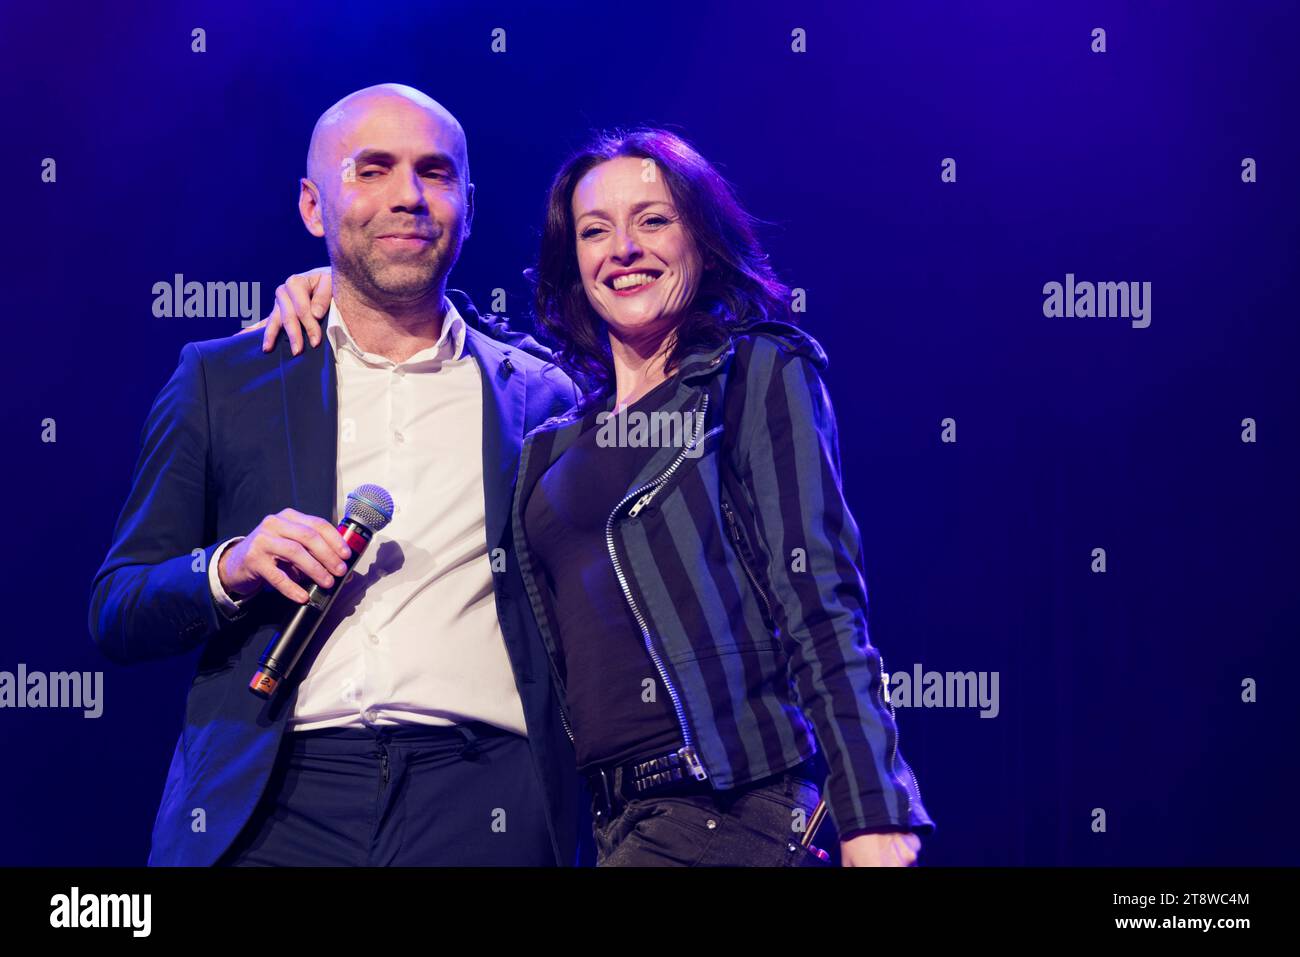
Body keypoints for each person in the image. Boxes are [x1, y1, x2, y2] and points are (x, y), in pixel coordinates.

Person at [254, 129, 936, 866]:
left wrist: (875, 815)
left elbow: (824, 603)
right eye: (594, 231)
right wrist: (337, 291)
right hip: (610, 821)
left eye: (653, 220)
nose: (624, 249)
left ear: (700, 240)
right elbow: (444, 343)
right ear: (573, 262)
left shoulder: (753, 376)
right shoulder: (558, 432)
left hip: (731, 803)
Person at [89, 84, 586, 866]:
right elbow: (118, 606)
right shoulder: (224, 379)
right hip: (273, 799)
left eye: (435, 171)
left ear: (468, 203)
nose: (408, 196)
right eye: (372, 169)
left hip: (484, 795)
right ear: (314, 207)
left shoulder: (544, 396)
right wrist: (230, 566)